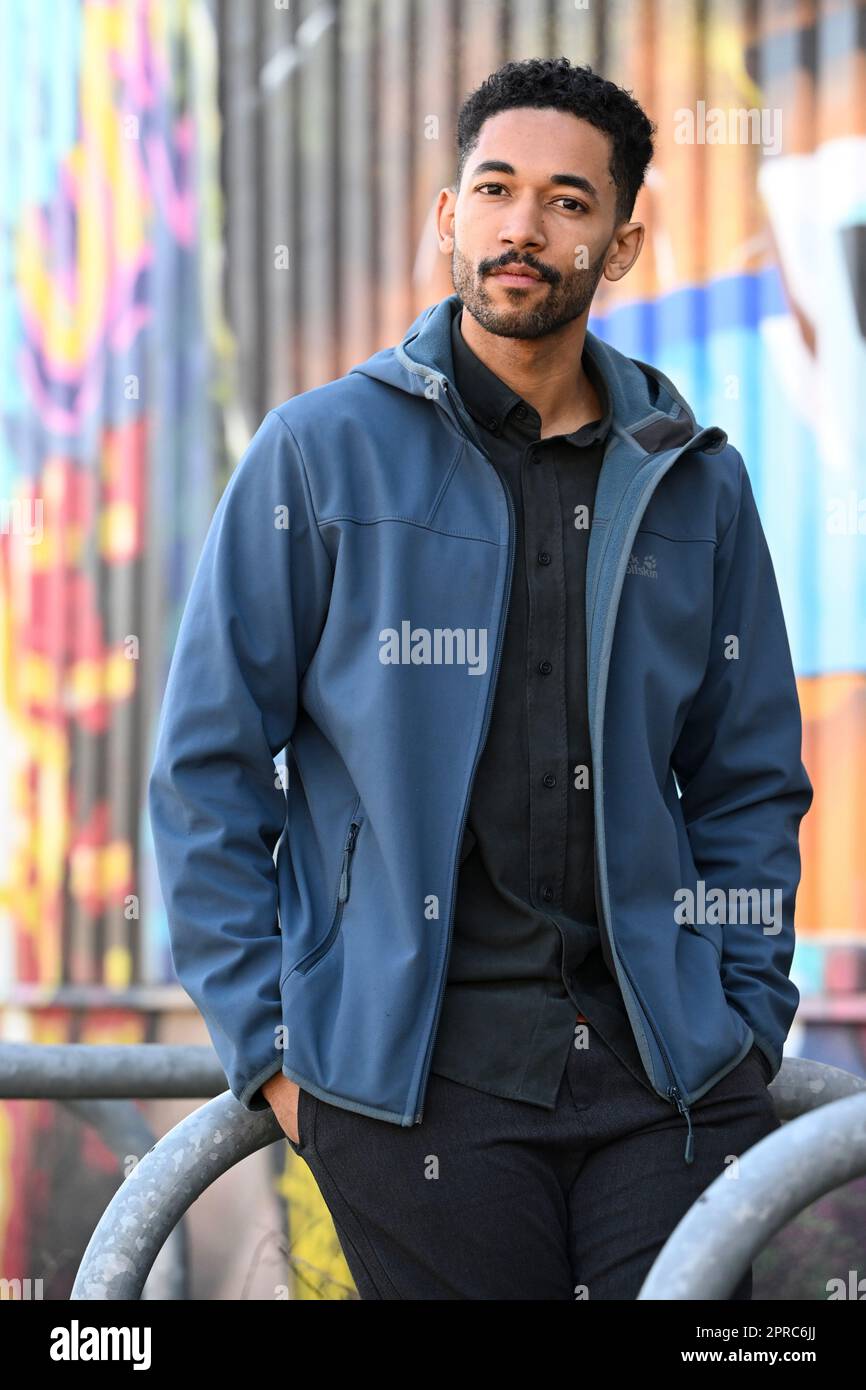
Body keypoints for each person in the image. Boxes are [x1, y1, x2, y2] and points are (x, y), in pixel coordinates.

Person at [149, 58, 813, 1300]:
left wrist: (745, 1012)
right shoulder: (320, 453)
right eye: (494, 188)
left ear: (618, 245)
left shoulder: (692, 480)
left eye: (568, 201)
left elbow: (748, 778)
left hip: (662, 1080)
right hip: (413, 1086)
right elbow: (207, 769)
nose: (523, 225)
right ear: (447, 216)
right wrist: (277, 1050)